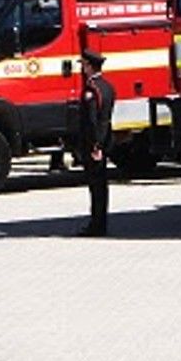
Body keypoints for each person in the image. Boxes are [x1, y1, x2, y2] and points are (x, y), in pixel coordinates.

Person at [74, 49, 117, 238]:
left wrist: (95, 146)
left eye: (83, 65)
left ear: (90, 66)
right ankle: (101, 222)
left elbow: (92, 121)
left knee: (96, 186)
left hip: (95, 144)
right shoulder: (108, 86)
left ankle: (96, 224)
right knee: (101, 185)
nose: (82, 69)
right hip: (105, 139)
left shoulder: (92, 90)